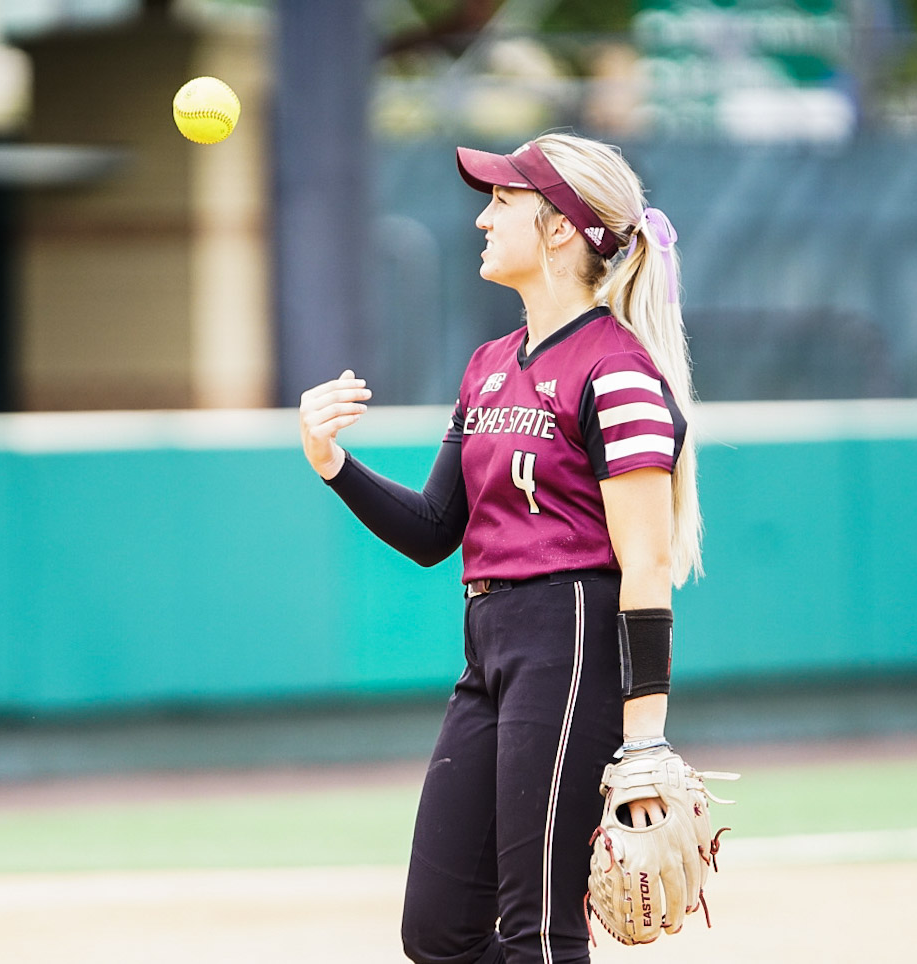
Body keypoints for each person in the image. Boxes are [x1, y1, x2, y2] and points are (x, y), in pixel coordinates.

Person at [298, 132, 702, 964]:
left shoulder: (616, 370)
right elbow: (431, 532)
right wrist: (331, 463)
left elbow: (647, 563)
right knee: (439, 932)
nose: (482, 220)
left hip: (571, 638)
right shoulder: (488, 366)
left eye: (502, 202)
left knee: (539, 935)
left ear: (560, 229)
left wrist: (646, 737)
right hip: (488, 646)